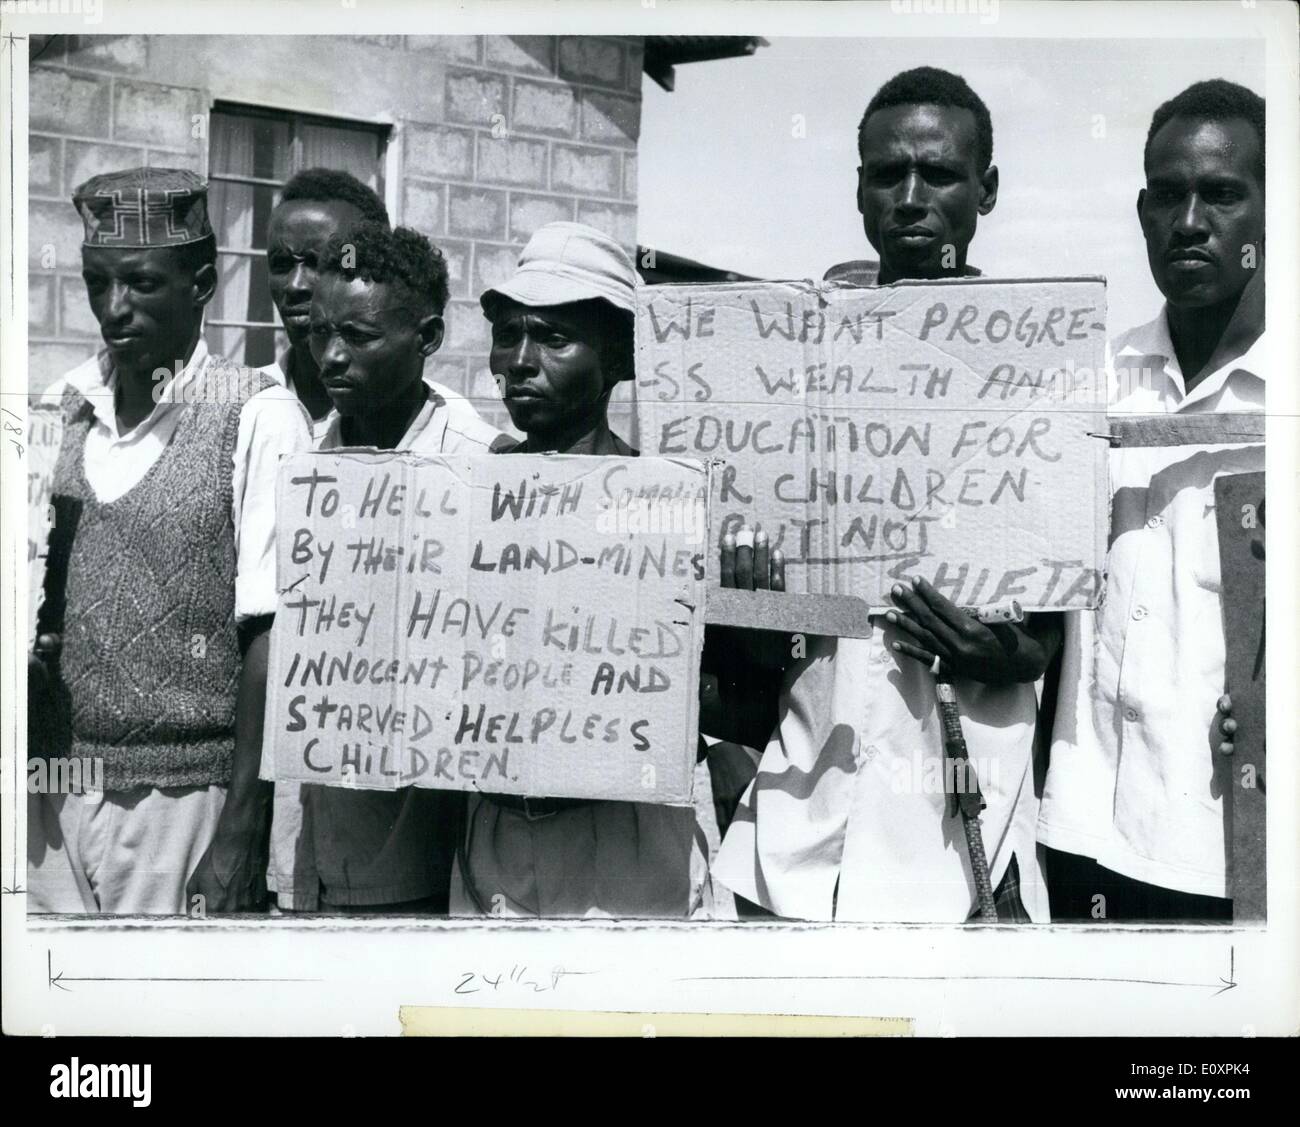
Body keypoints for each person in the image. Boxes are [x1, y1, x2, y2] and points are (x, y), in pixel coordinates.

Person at [711, 67, 1060, 923]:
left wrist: (993, 648)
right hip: (794, 830)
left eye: (938, 174)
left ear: (987, 189)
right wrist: (748, 603)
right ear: (858, 190)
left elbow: (1049, 634)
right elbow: (746, 652)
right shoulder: (782, 368)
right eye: (884, 174)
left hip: (953, 837)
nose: (910, 198)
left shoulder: (1041, 377)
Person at [27, 167, 312, 915]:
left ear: (202, 284)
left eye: (142, 284)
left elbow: (273, 632)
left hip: (182, 802)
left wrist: (243, 827)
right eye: (97, 283)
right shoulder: (61, 406)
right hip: (47, 791)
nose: (114, 309)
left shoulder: (257, 415)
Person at [1037, 80, 1266, 922]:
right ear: (1141, 213)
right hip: (1085, 830)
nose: (1191, 221)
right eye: (1168, 196)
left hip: (1238, 840)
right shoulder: (1090, 381)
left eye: (1223, 193)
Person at [451, 221, 708, 918]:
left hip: (624, 847)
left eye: (555, 338)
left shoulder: (669, 501)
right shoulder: (464, 494)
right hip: (492, 838)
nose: (521, 361)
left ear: (621, 357)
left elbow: (729, 698)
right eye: (510, 334)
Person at [269, 221, 506, 912]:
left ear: (427, 338)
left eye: (360, 338)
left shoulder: (483, 467)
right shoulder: (304, 466)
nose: (332, 357)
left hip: (429, 855)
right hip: (315, 834)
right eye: (319, 334)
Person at [261, 168, 391, 439]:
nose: (295, 285)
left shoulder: (435, 424)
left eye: (318, 263)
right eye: (281, 264)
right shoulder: (244, 405)